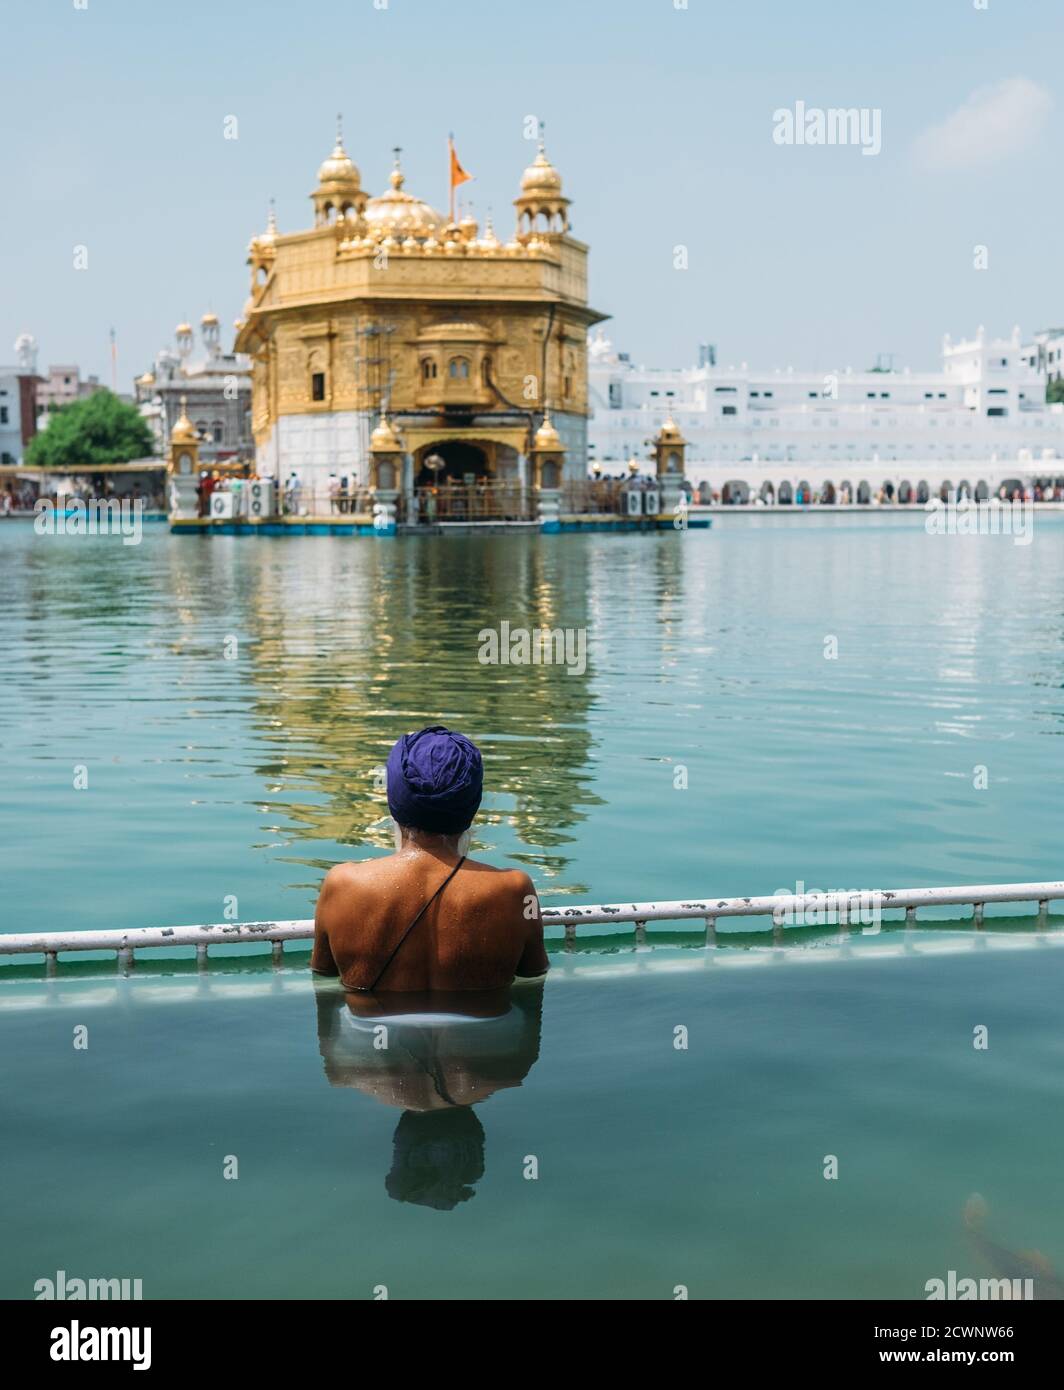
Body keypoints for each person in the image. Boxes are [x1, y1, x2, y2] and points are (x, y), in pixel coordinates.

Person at [312, 726, 549, 994]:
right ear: (472, 803)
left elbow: (323, 978)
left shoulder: (341, 884)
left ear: (394, 800)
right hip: (481, 1034)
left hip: (373, 1034)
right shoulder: (516, 891)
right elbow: (534, 976)